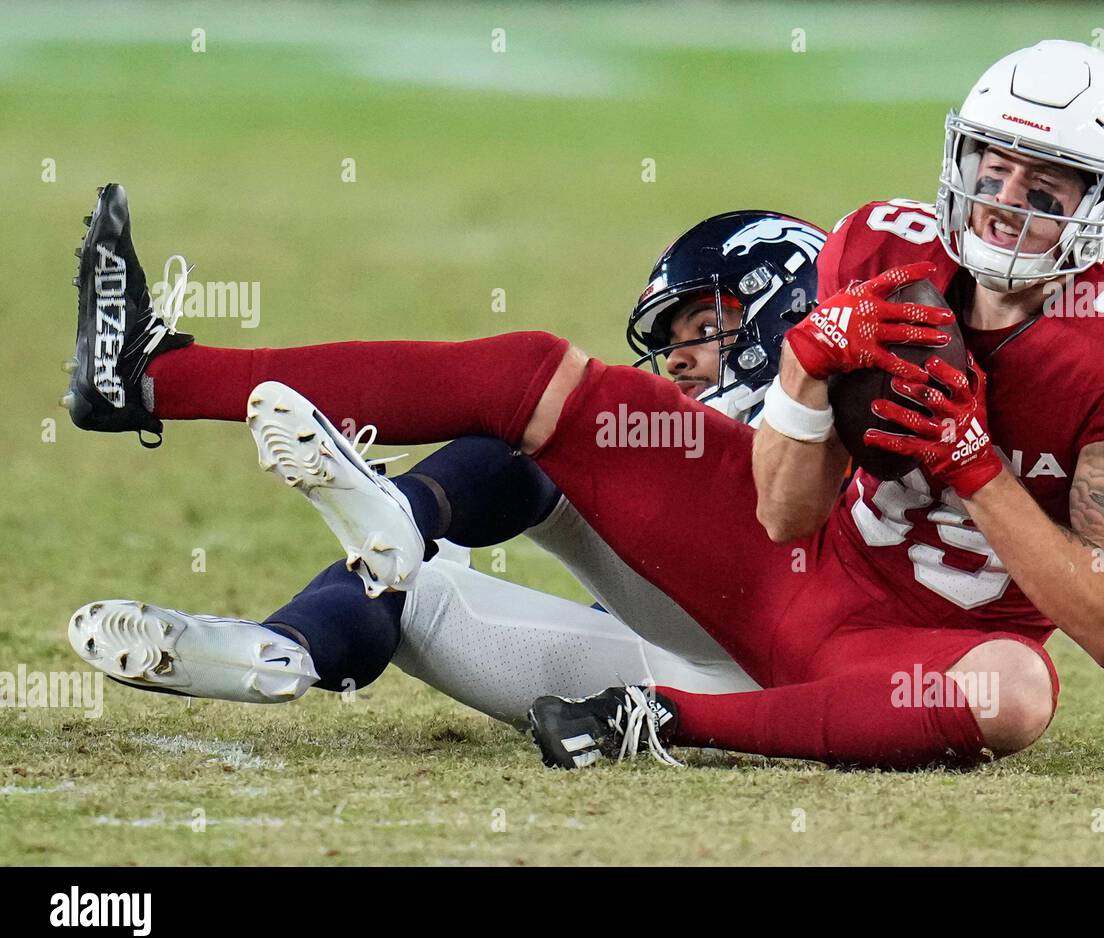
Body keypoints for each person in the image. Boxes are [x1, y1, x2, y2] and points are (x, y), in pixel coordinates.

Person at [64, 39, 1104, 771]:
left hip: (897, 652)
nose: (1003, 200)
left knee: (1017, 691)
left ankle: (654, 716)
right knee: (541, 382)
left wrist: (970, 463)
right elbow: (780, 511)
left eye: (1044, 183)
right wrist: (805, 371)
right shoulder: (884, 248)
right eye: (990, 164)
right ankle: (148, 378)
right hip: (790, 562)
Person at [65, 207, 827, 723]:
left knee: (543, 438)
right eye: (673, 340)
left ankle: (169, 384)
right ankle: (276, 651)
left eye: (706, 326)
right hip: (691, 673)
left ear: (790, 312)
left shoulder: (859, 430)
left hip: (789, 654)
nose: (680, 359)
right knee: (413, 590)